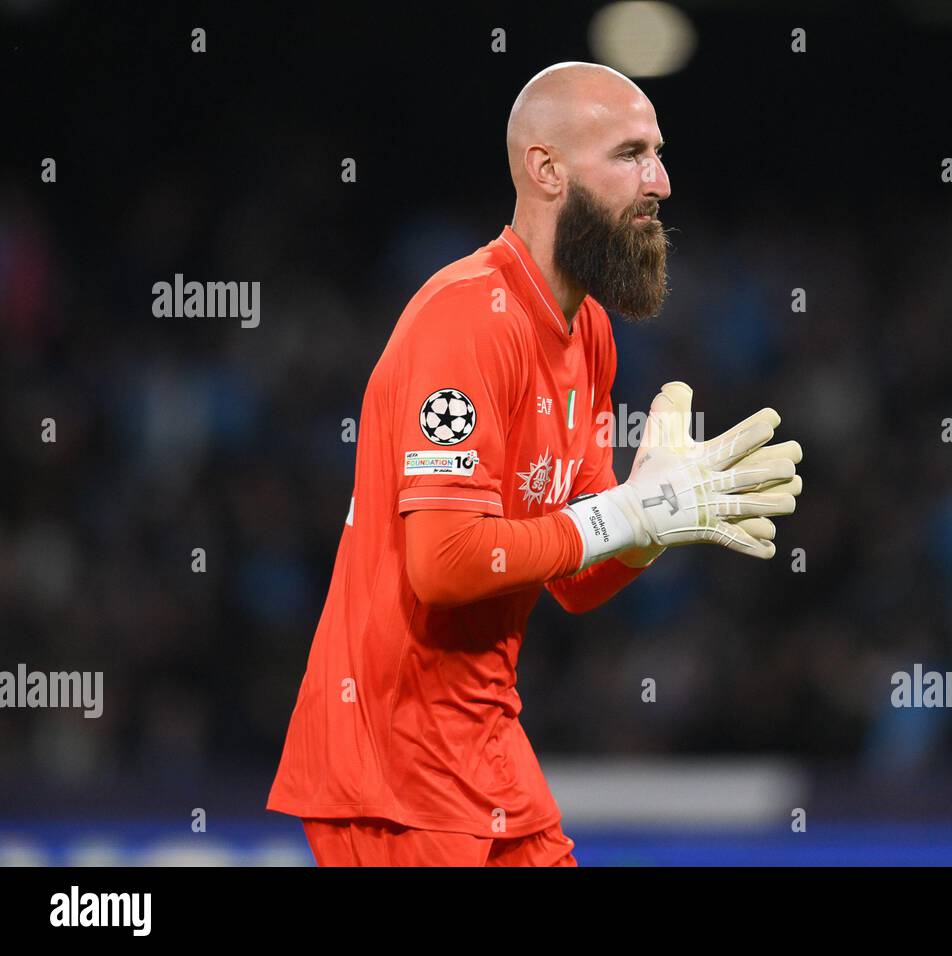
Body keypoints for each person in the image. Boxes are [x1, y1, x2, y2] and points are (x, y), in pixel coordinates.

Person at [266, 61, 802, 866]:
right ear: (546, 169)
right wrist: (625, 514)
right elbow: (443, 563)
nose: (659, 182)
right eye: (630, 154)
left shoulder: (589, 334)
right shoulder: (467, 319)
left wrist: (660, 519)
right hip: (392, 772)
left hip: (486, 750)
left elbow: (577, 578)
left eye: (657, 155)